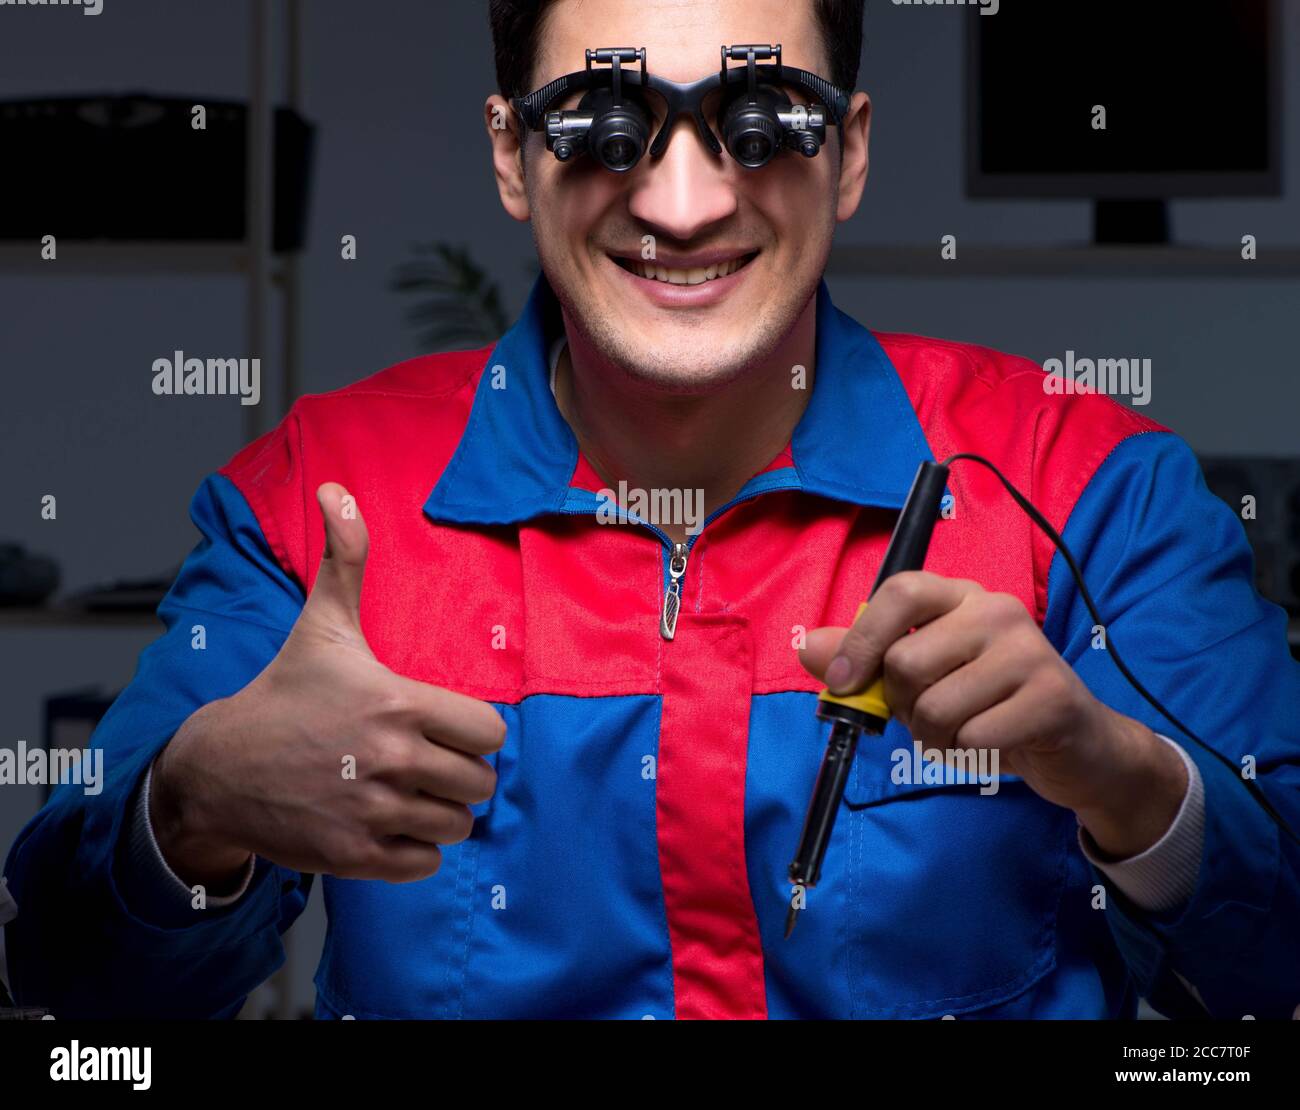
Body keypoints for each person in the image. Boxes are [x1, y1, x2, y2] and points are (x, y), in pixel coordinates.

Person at [5, 0, 1298, 1020]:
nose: (684, 204)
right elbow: (77, 993)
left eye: (762, 118)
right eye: (603, 120)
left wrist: (1125, 782)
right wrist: (191, 808)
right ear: (513, 153)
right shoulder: (317, 495)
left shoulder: (1089, 483)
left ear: (848, 152)